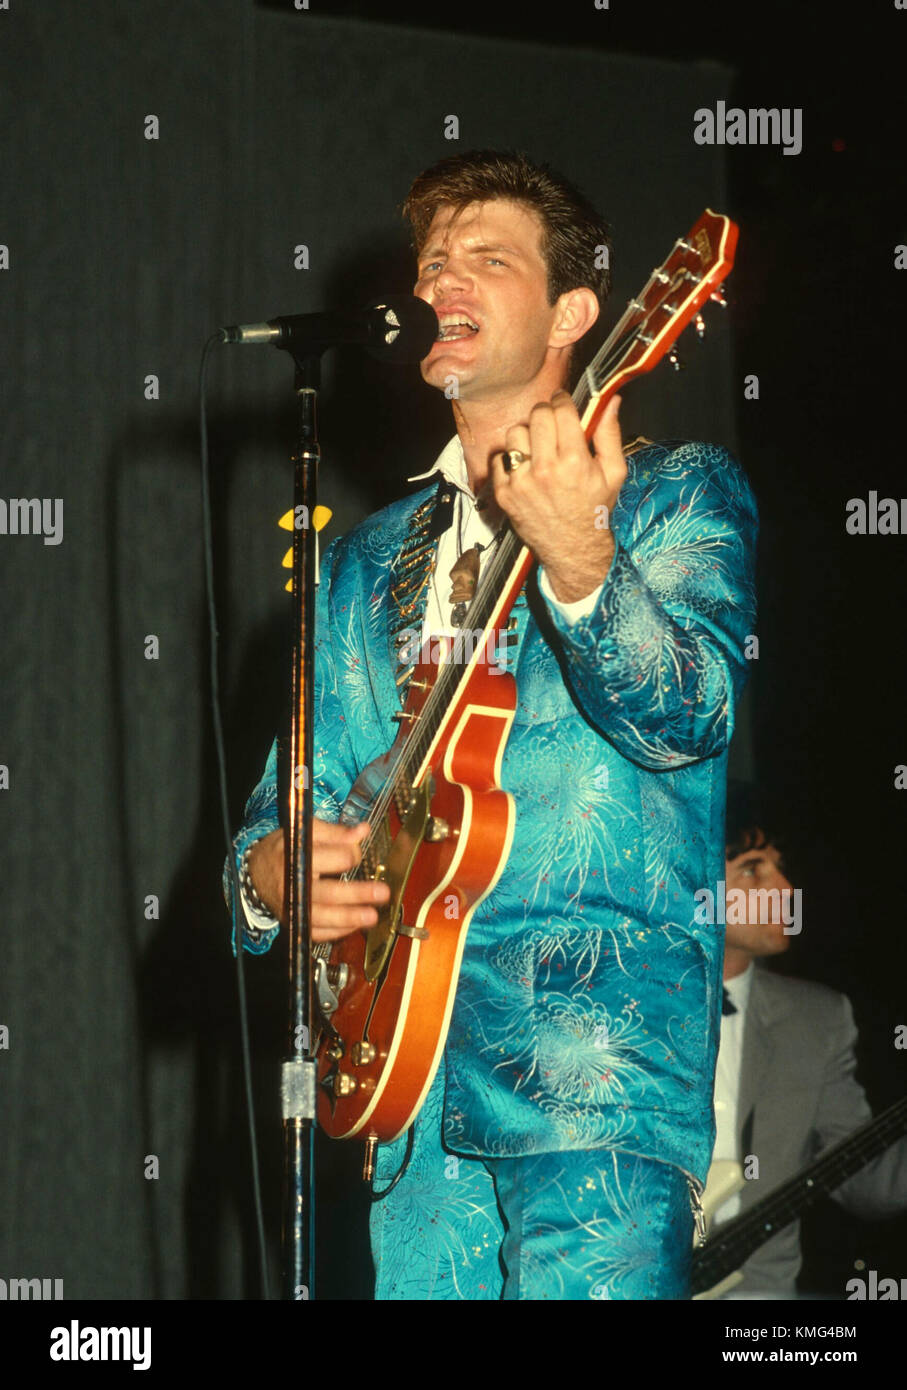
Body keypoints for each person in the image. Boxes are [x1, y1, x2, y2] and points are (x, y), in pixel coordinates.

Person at [225, 149, 758, 1300]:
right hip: (405, 1084)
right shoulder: (362, 561)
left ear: (576, 310)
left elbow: (694, 714)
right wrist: (270, 877)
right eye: (429, 265)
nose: (439, 281)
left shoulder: (671, 492)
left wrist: (582, 565)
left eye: (485, 258)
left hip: (592, 1077)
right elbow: (286, 808)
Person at [707, 783, 907, 1297]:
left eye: (780, 866)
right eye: (753, 869)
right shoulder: (628, 1009)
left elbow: (868, 1181)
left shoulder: (819, 1019)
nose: (785, 888)